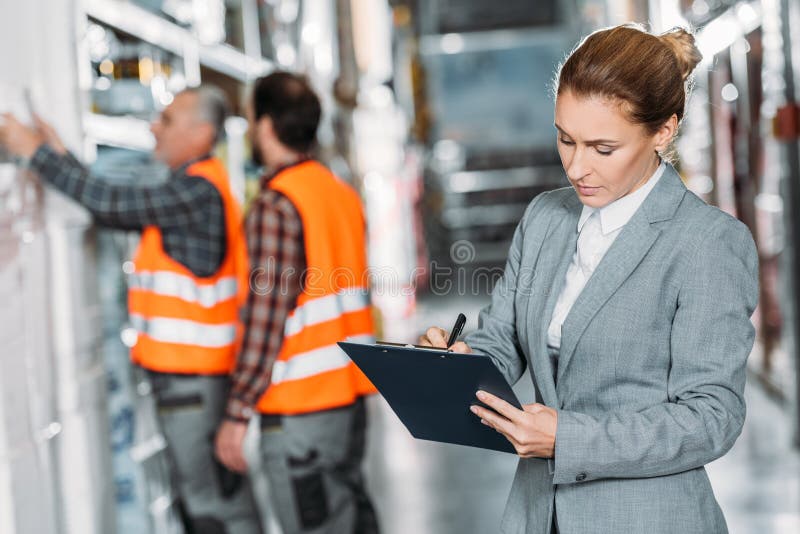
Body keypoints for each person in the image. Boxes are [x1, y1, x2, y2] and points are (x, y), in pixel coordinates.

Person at [420, 24, 758, 534]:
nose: (577, 167)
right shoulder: (545, 218)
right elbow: (505, 337)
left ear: (662, 131)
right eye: (565, 139)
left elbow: (711, 418)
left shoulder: (706, 243)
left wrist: (567, 439)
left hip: (649, 519)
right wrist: (464, 360)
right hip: (539, 513)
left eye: (602, 148)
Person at [0, 86, 264, 534]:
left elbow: (112, 204)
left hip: (194, 385)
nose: (153, 127)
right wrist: (58, 156)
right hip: (191, 383)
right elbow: (110, 202)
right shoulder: (194, 185)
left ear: (201, 133)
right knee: (206, 503)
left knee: (214, 510)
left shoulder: (196, 192)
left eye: (167, 119)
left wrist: (37, 153)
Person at [213, 71, 380, 534]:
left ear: (265, 125)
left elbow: (266, 318)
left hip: (300, 410)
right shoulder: (337, 192)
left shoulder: (276, 205)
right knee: (348, 518)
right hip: (347, 400)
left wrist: (236, 412)